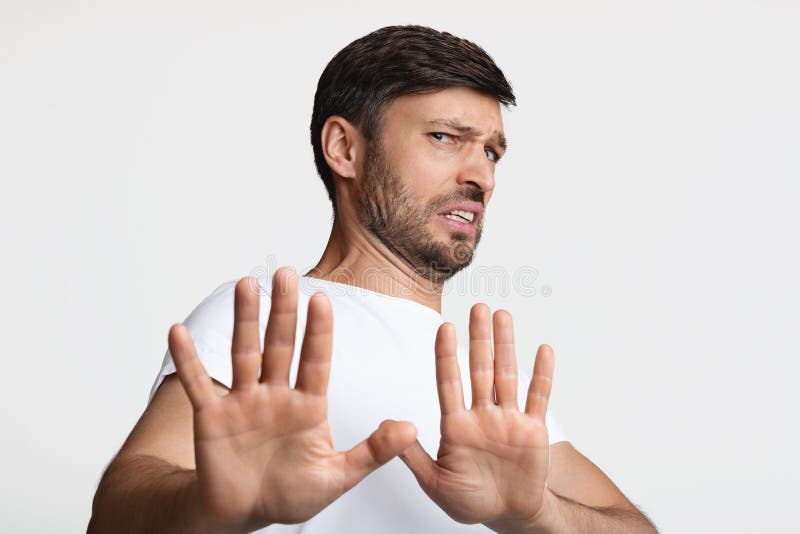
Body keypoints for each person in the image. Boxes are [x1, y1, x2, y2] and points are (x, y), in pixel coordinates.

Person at [89, 25, 657, 533]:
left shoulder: (477, 385)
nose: (481, 174)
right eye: (444, 137)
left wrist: (537, 515)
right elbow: (113, 516)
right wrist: (207, 506)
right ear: (345, 149)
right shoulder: (267, 316)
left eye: (492, 151)